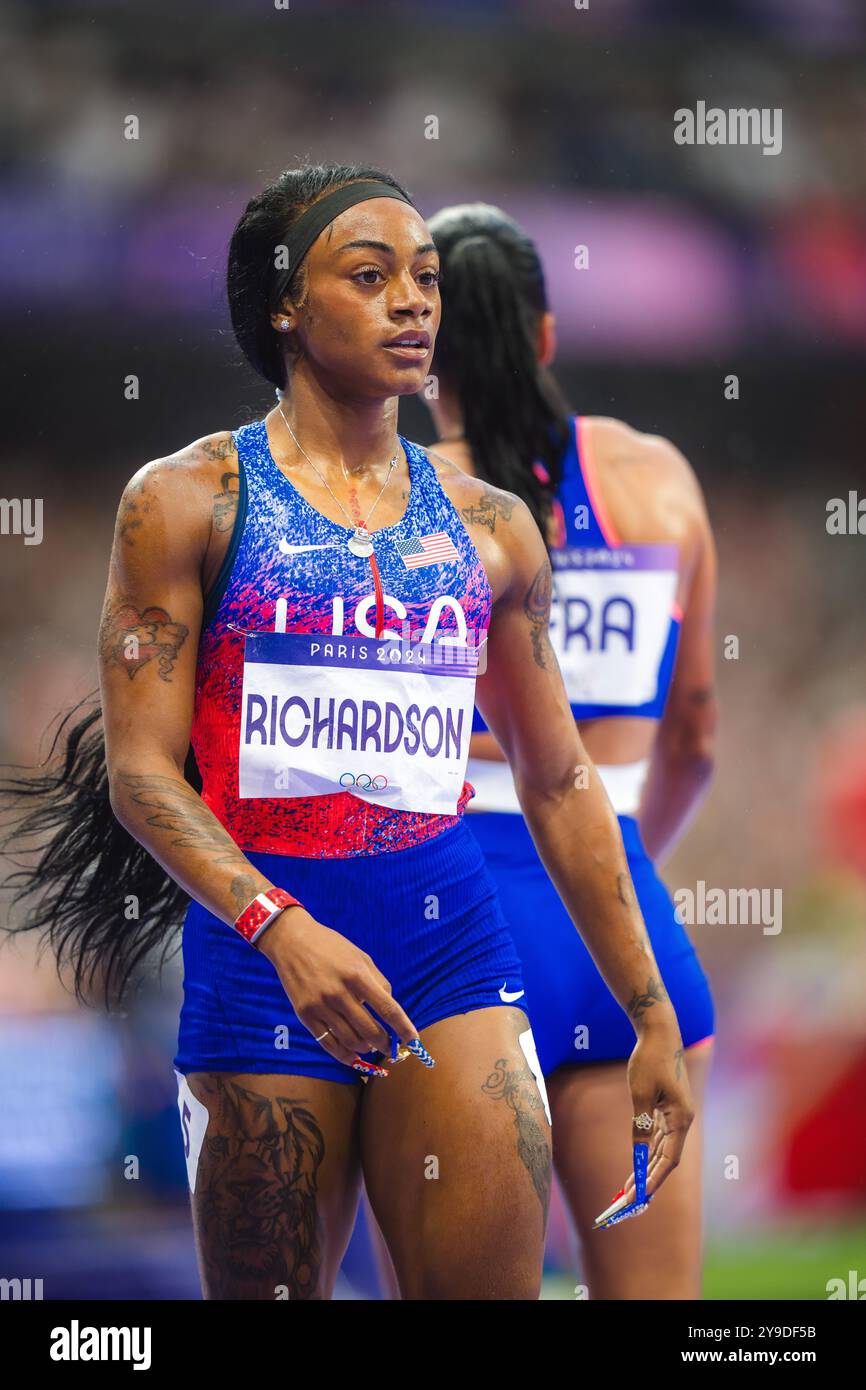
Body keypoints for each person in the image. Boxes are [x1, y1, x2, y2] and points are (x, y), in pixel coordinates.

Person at [0, 166, 692, 1301]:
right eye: (370, 280)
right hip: (263, 957)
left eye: (424, 280)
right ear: (284, 307)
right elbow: (138, 774)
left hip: (449, 945)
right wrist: (281, 930)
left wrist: (650, 1009)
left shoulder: (491, 528)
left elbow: (560, 778)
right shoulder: (186, 500)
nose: (414, 304)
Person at [420, 201, 718, 1299]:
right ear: (544, 336)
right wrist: (615, 864)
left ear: (419, 354)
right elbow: (693, 734)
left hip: (440, 927)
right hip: (616, 930)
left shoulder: (401, 503)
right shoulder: (658, 480)